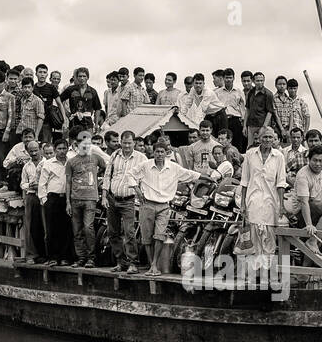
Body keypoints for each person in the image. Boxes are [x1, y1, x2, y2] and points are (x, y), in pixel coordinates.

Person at [137, 139, 204, 277]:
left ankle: (155, 263)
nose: (159, 154)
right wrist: (137, 190)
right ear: (153, 153)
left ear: (166, 153)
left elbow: (191, 174)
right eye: (157, 152)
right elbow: (130, 176)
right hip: (147, 205)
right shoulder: (145, 165)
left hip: (164, 206)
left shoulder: (173, 167)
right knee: (147, 237)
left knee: (160, 236)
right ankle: (151, 265)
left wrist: (208, 178)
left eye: (162, 152)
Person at [238, 126, 288, 259]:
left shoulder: (279, 157)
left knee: (269, 239)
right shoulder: (250, 155)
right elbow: (244, 181)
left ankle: (266, 275)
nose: (267, 139)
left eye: (270, 137)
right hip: (253, 201)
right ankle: (254, 275)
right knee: (252, 239)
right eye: (264, 137)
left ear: (274, 139)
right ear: (259, 138)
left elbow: (281, 183)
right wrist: (243, 204)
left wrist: (281, 205)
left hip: (271, 202)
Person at [104, 130, 147, 272]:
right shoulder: (115, 155)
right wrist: (104, 195)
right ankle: (120, 261)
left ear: (134, 143)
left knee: (129, 232)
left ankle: (133, 262)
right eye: (124, 142)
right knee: (113, 232)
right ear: (120, 142)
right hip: (112, 198)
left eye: (129, 143)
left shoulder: (141, 158)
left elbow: (146, 178)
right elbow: (107, 176)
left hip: (130, 200)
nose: (127, 146)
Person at [65, 136, 107, 267]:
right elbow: (68, 182)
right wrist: (67, 202)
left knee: (88, 228)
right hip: (75, 199)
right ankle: (81, 257)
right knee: (77, 230)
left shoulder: (95, 158)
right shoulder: (71, 161)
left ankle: (91, 258)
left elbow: (106, 168)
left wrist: (98, 180)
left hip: (90, 198)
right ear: (76, 146)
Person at [39, 140, 74, 264]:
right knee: (52, 229)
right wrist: (45, 200)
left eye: (64, 148)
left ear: (67, 148)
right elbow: (42, 184)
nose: (62, 151)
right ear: (55, 149)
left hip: (67, 198)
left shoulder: (71, 162)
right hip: (52, 198)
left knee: (66, 228)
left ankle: (65, 257)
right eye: (59, 148)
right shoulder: (48, 164)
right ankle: (53, 257)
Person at [18, 140, 46, 260]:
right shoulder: (26, 166)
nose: (34, 153)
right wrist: (30, 186)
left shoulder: (46, 163)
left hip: (45, 196)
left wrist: (40, 185)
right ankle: (32, 254)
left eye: (36, 150)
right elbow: (22, 184)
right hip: (32, 196)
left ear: (40, 149)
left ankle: (46, 255)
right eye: (31, 151)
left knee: (45, 225)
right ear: (28, 152)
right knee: (31, 226)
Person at [60, 67, 101, 140]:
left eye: (84, 76)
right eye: (80, 76)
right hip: (74, 120)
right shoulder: (70, 89)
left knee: (87, 144)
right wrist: (66, 113)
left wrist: (96, 124)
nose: (82, 78)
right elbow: (59, 101)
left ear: (87, 77)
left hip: (87, 122)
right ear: (77, 77)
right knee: (73, 143)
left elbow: (97, 108)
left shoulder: (92, 91)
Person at [244, 72, 282, 148]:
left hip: (263, 125)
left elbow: (270, 112)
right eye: (258, 81)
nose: (260, 83)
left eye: (262, 80)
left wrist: (264, 127)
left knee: (265, 146)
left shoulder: (268, 94)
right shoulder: (250, 93)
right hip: (251, 125)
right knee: (251, 147)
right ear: (253, 81)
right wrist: (244, 126)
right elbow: (247, 110)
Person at [216, 68, 247, 151]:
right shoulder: (217, 92)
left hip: (236, 120)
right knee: (222, 143)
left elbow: (243, 107)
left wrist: (243, 122)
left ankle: (237, 163)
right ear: (223, 78)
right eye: (226, 77)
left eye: (230, 77)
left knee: (237, 144)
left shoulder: (239, 91)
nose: (228, 80)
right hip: (222, 120)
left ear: (233, 78)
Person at [31, 65, 60, 143]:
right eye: (40, 72)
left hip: (47, 123)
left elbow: (59, 104)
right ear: (36, 74)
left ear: (47, 74)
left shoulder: (51, 88)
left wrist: (63, 120)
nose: (42, 74)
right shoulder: (32, 88)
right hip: (34, 122)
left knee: (46, 145)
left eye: (44, 72)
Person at [16, 78, 45, 149]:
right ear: (22, 88)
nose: (27, 89)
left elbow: (40, 119)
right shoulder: (22, 100)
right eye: (25, 87)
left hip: (32, 134)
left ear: (32, 88)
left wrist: (36, 135)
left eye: (29, 87)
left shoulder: (37, 100)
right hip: (23, 133)